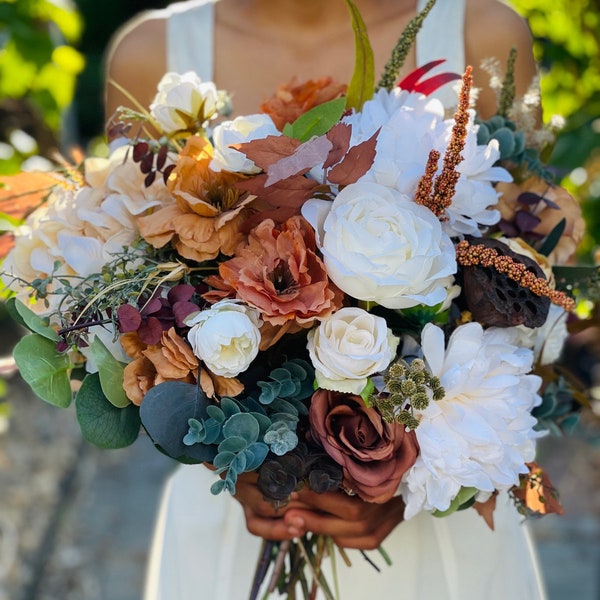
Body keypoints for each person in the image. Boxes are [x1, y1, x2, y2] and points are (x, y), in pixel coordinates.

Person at [104, 1, 547, 598]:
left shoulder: (482, 33)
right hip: (235, 534)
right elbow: (125, 306)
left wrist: (407, 483)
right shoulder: (149, 57)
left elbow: (539, 300)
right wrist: (234, 458)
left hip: (440, 543)